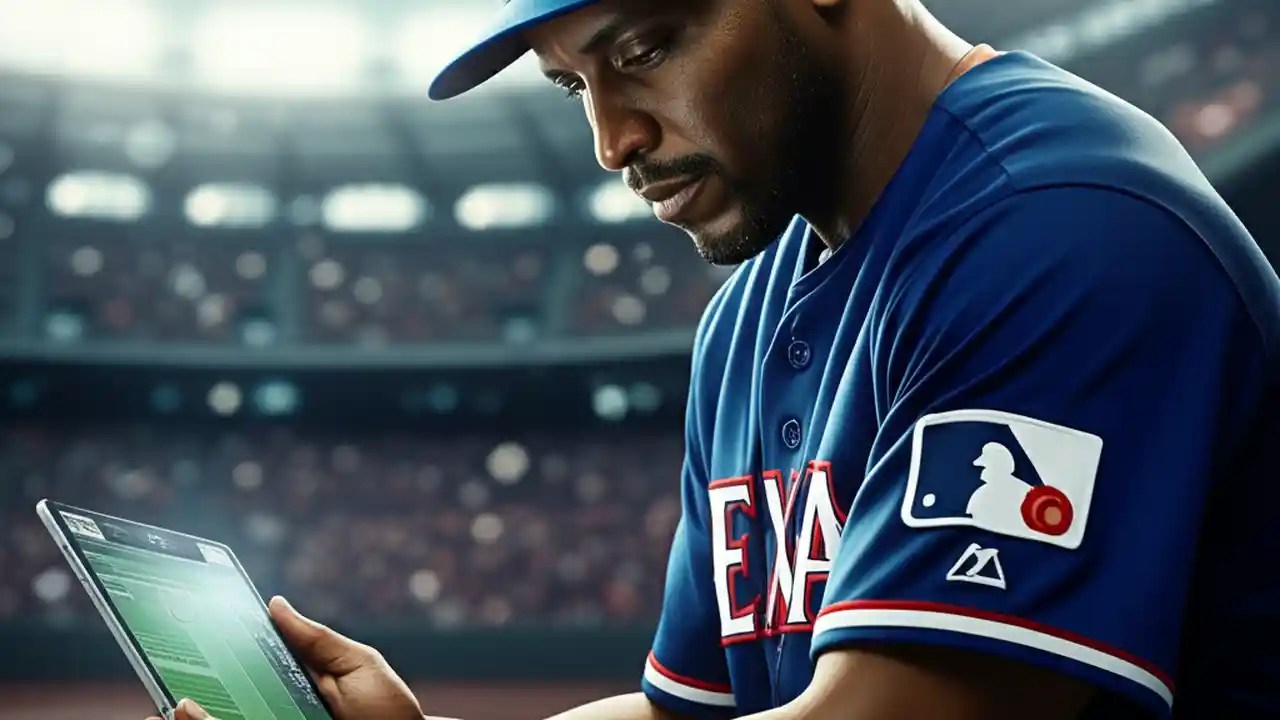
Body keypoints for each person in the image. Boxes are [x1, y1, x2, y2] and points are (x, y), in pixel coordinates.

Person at [153, 0, 1280, 718]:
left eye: (641, 49)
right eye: (570, 86)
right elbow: (682, 713)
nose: (612, 139)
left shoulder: (1063, 222)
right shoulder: (745, 317)